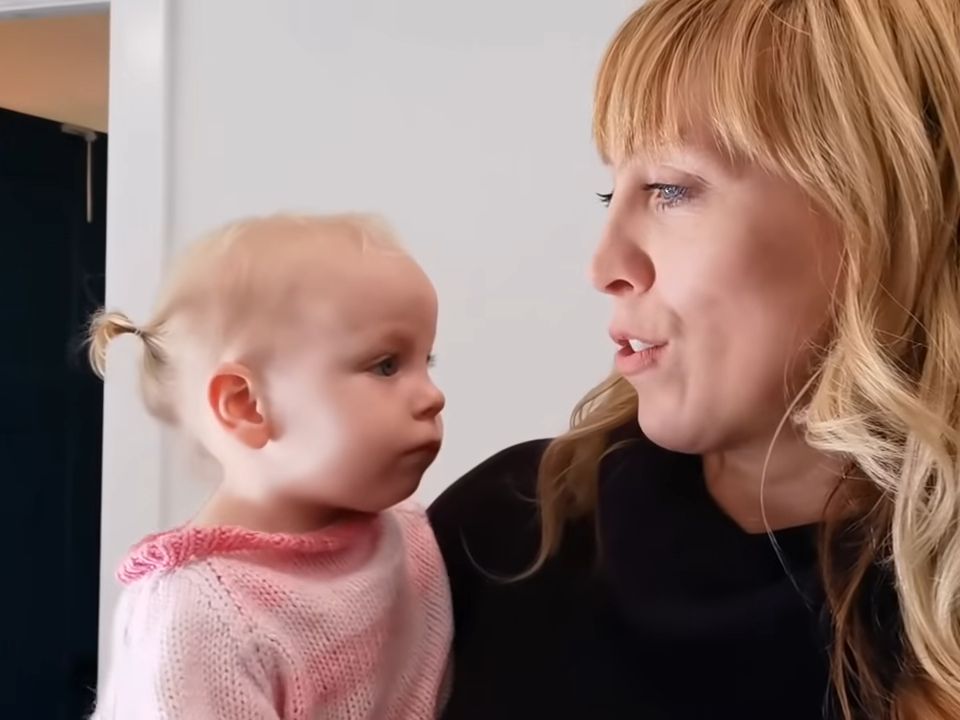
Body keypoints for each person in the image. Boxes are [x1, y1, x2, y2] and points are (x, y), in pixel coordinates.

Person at [429, 0, 960, 718]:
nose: (605, 266)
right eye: (610, 192)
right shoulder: (505, 529)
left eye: (671, 190)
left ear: (888, 216)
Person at [90, 214, 451, 719]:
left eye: (426, 362)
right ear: (246, 405)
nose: (432, 397)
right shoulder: (200, 614)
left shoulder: (408, 534)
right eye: (386, 365)